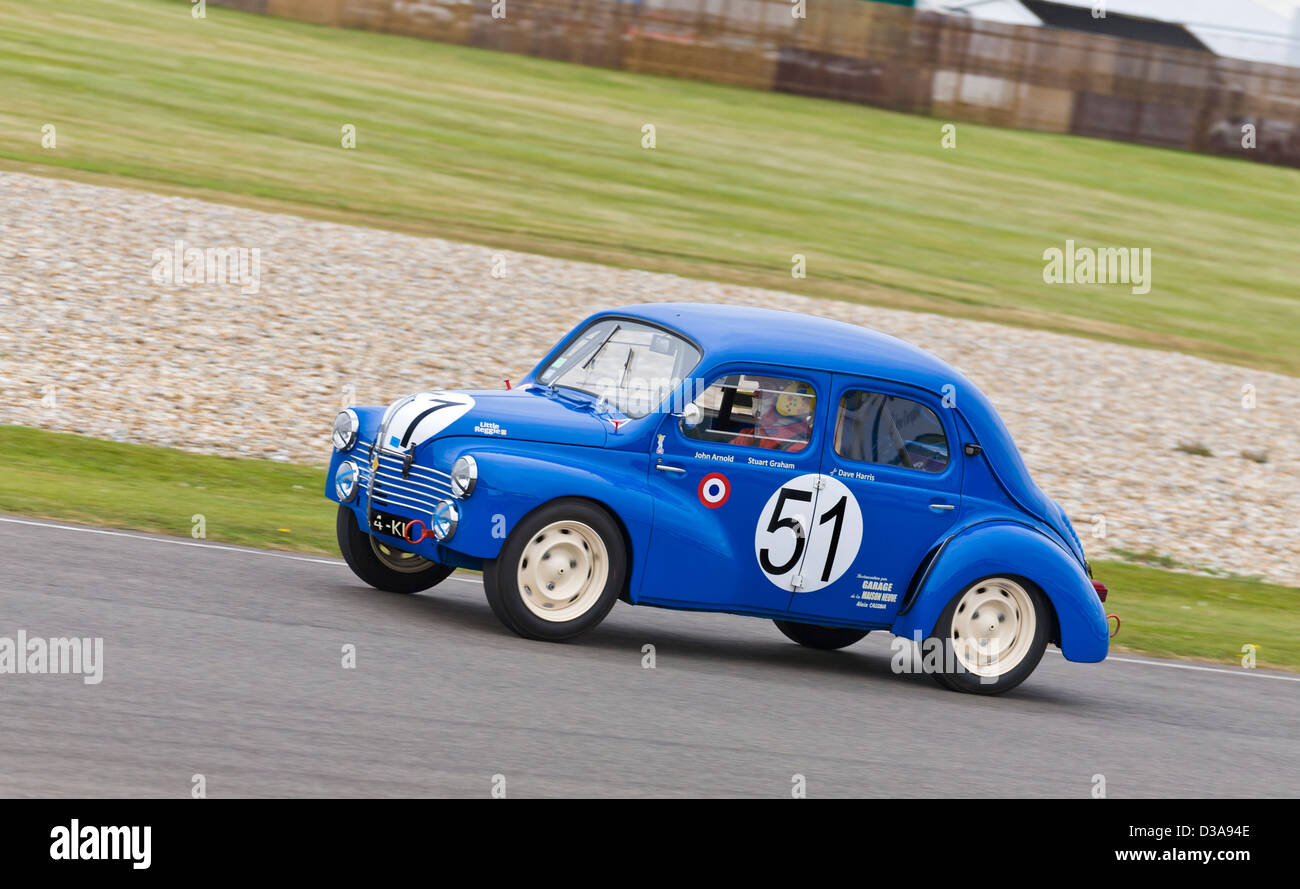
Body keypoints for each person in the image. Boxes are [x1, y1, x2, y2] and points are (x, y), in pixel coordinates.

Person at [731, 378, 814, 452]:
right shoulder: (751, 434)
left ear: (785, 398)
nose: (756, 393)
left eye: (767, 387)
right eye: (760, 387)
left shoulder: (801, 448)